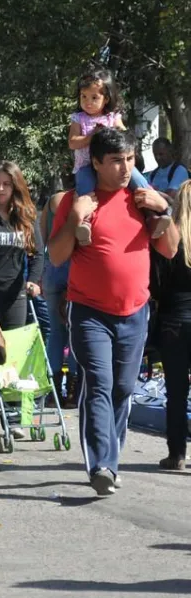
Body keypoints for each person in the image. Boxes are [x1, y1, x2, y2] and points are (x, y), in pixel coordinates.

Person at [49, 127, 178, 495]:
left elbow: (169, 250)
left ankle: (111, 456)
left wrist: (162, 207)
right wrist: (75, 219)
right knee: (100, 385)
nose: (125, 168)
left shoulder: (140, 199)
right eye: (116, 161)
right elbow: (57, 256)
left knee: (123, 388)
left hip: (135, 311)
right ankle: (101, 464)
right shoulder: (77, 201)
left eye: (130, 159)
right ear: (96, 163)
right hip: (89, 311)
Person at [68, 68, 165, 245]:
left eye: (94, 97)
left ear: (106, 99)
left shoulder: (112, 117)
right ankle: (85, 223)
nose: (88, 102)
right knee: (85, 187)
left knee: (136, 178)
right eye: (84, 97)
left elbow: (123, 134)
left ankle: (153, 215)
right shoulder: (78, 118)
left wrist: (110, 131)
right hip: (87, 165)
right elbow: (73, 142)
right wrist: (91, 137)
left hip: (112, 165)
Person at [150, 180, 191, 470]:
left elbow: (156, 283)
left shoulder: (170, 239)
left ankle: (176, 453)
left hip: (174, 321)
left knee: (175, 392)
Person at [0, 161, 44, 329]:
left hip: (15, 296)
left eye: (6, 184)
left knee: (12, 351)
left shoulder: (25, 217)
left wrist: (33, 281)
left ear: (15, 186)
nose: (0, 188)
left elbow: (38, 253)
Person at [40, 171, 80, 408]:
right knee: (75, 334)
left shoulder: (52, 201)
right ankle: (73, 389)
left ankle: (54, 389)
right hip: (73, 273)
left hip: (52, 273)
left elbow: (45, 240)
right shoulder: (80, 201)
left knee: (55, 332)